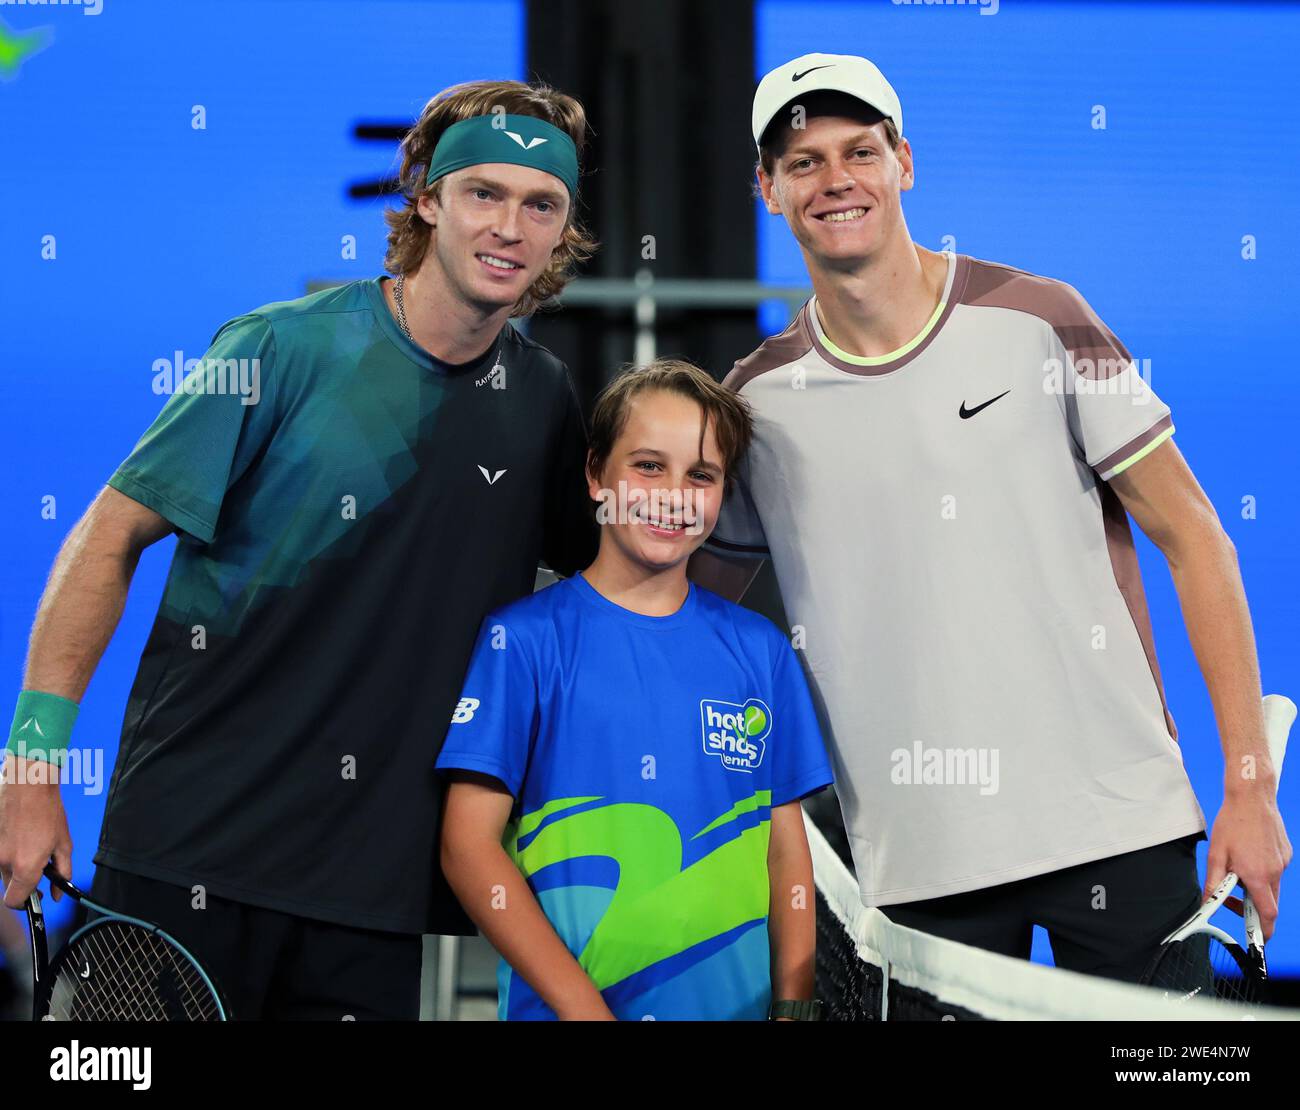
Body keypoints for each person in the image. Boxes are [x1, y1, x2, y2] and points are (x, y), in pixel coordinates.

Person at [0, 78, 599, 1019]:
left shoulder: (544, 402)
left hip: (373, 896)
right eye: (483, 193)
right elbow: (106, 539)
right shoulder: (277, 350)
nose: (510, 226)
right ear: (428, 201)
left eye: (541, 205)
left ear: (562, 231)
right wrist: (29, 772)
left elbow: (595, 601)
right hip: (180, 858)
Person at [688, 52, 1290, 981]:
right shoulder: (755, 405)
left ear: (905, 163)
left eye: (860, 151)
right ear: (767, 188)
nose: (836, 179)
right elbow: (686, 624)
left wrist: (1249, 789)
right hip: (918, 869)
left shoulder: (1042, 318)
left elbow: (1197, 538)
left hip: (1120, 824)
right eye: (803, 161)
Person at [437, 359, 833, 1020]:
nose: (674, 494)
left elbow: (785, 852)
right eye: (648, 466)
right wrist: (585, 1011)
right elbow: (468, 848)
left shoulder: (759, 650)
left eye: (700, 475)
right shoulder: (523, 642)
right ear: (596, 475)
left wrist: (794, 1006)